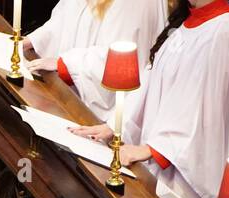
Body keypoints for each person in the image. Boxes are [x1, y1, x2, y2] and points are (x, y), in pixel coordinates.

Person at [70, 0, 229, 198]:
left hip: (185, 177)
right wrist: (114, 126)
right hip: (160, 163)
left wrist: (152, 150)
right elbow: (152, 87)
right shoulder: (186, 22)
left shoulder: (227, 32)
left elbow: (208, 113)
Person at [23, 0, 169, 121]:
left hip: (101, 115)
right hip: (63, 92)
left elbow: (121, 57)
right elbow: (67, 16)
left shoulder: (138, 4)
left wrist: (65, 64)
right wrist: (33, 39)